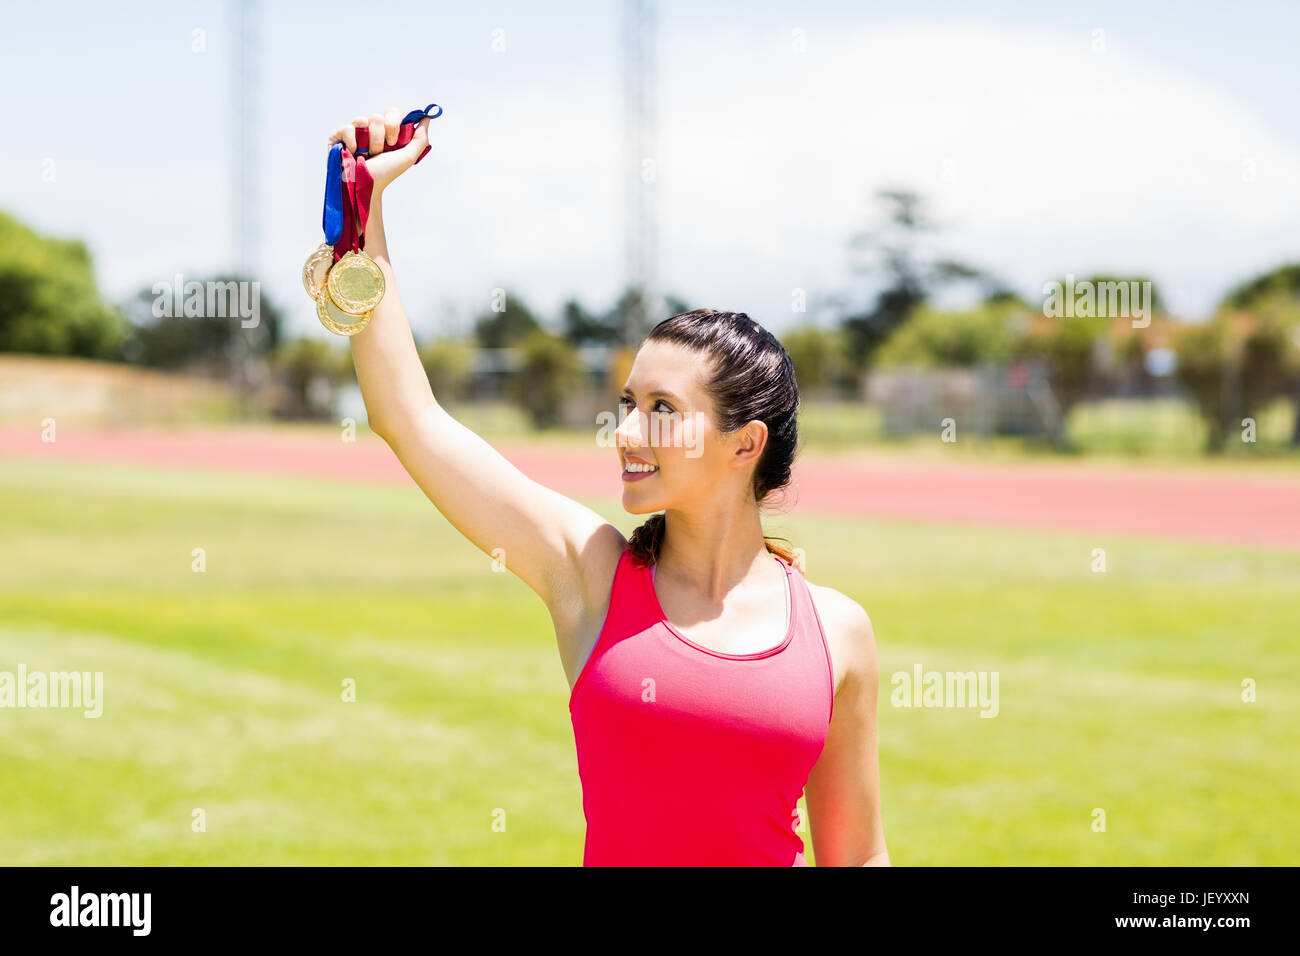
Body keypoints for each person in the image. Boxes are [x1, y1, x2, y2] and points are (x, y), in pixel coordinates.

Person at [328, 109, 889, 866]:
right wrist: (366, 217)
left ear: (744, 444)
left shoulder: (837, 632)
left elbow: (857, 858)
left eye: (662, 410)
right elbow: (409, 416)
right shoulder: (590, 575)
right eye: (628, 405)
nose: (626, 432)